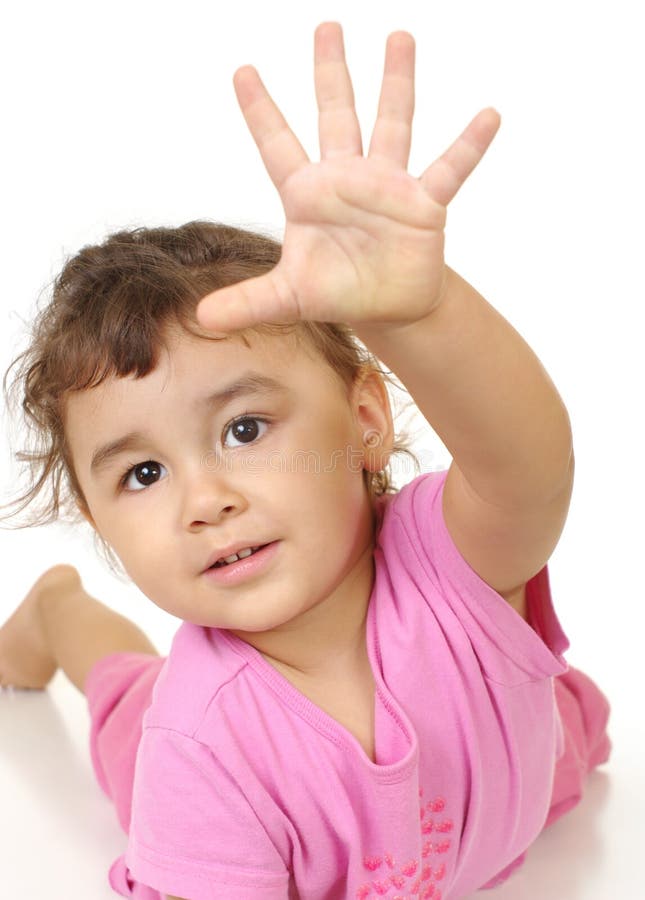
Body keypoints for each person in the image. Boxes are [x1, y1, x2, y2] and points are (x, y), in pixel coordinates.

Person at [0, 21, 611, 900]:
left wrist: (418, 310)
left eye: (245, 429)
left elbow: (528, 467)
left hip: (509, 773)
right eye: (142, 474)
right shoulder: (194, 752)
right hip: (202, 783)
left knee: (561, 729)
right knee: (126, 695)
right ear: (99, 521)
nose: (203, 501)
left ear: (365, 418)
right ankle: (58, 607)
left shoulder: (455, 576)